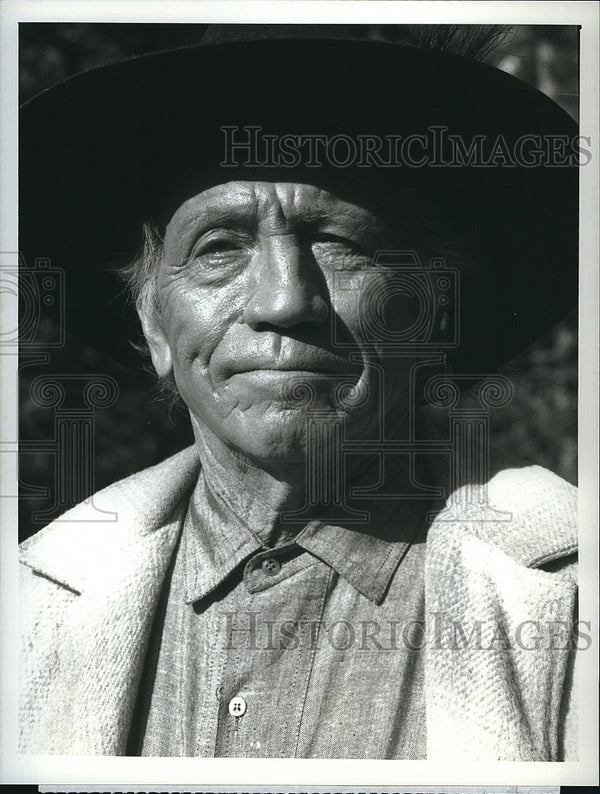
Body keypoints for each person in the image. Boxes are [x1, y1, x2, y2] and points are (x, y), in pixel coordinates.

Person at [18, 25, 579, 760]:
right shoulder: (26, 606)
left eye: (338, 243)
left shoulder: (570, 594)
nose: (285, 301)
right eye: (218, 246)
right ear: (154, 326)